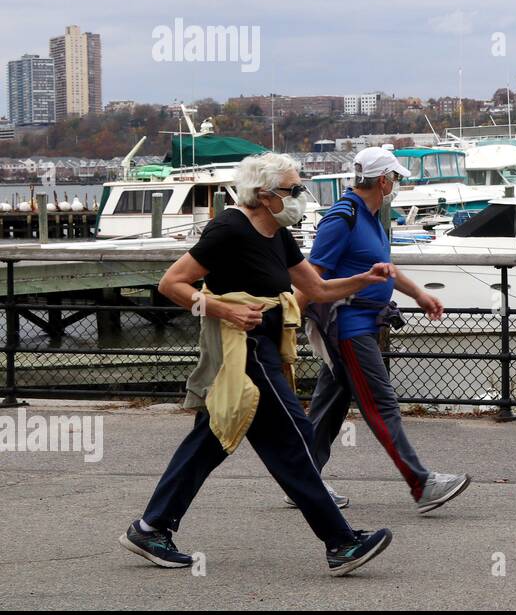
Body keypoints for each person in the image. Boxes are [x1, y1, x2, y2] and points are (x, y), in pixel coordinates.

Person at [119, 152, 396, 577]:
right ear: (265, 195)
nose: (301, 196)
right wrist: (222, 310)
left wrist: (366, 279)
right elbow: (171, 283)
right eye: (294, 190)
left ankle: (151, 527)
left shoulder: (279, 234)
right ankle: (340, 542)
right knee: (294, 438)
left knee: (211, 440)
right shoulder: (230, 228)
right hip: (243, 348)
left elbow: (318, 289)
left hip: (264, 344)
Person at [297, 146, 470, 515]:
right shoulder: (342, 217)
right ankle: (421, 484)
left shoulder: (367, 215)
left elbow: (383, 268)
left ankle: (301, 481)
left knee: (330, 406)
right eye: (394, 177)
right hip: (347, 327)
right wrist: (286, 324)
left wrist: (419, 294)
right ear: (382, 180)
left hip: (359, 323)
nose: (396, 183)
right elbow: (313, 277)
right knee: (381, 404)